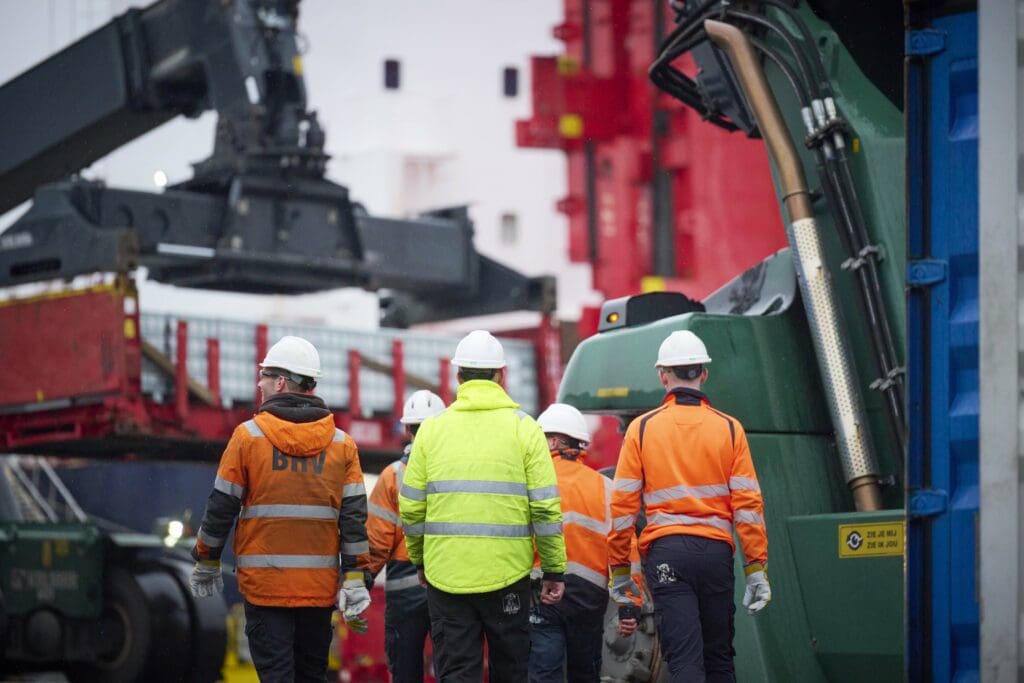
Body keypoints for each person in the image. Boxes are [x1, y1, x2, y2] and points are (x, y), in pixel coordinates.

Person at [189, 335, 373, 683]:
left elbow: (221, 508)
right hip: (317, 596)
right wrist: (354, 579)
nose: (259, 384)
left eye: (264, 376)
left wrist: (206, 559)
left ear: (281, 382)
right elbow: (353, 521)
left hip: (265, 591)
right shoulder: (342, 446)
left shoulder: (247, 438)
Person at [398, 329, 567, 683]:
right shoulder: (526, 429)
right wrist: (553, 570)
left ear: (458, 376)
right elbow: (546, 509)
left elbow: (412, 509)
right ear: (501, 375)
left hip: (447, 578)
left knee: (458, 673)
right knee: (511, 671)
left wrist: (421, 561)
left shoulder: (431, 431)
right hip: (508, 577)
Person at [607, 330, 770, 683]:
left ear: (663, 376)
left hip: (668, 554)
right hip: (716, 555)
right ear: (704, 374)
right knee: (720, 660)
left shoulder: (642, 429)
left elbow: (622, 508)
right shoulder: (730, 429)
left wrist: (621, 575)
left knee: (685, 663)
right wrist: (756, 567)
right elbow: (748, 504)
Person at [365, 389, 446, 682]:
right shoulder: (458, 472)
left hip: (403, 589)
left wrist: (361, 582)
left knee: (405, 670)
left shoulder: (393, 476)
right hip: (449, 584)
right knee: (454, 668)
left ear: (408, 430)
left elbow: (376, 541)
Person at [528, 403, 611, 683]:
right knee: (586, 674)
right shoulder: (605, 487)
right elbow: (626, 547)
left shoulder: (533, 481)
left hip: (544, 592)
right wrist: (629, 603)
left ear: (552, 441)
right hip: (590, 597)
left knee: (544, 672)